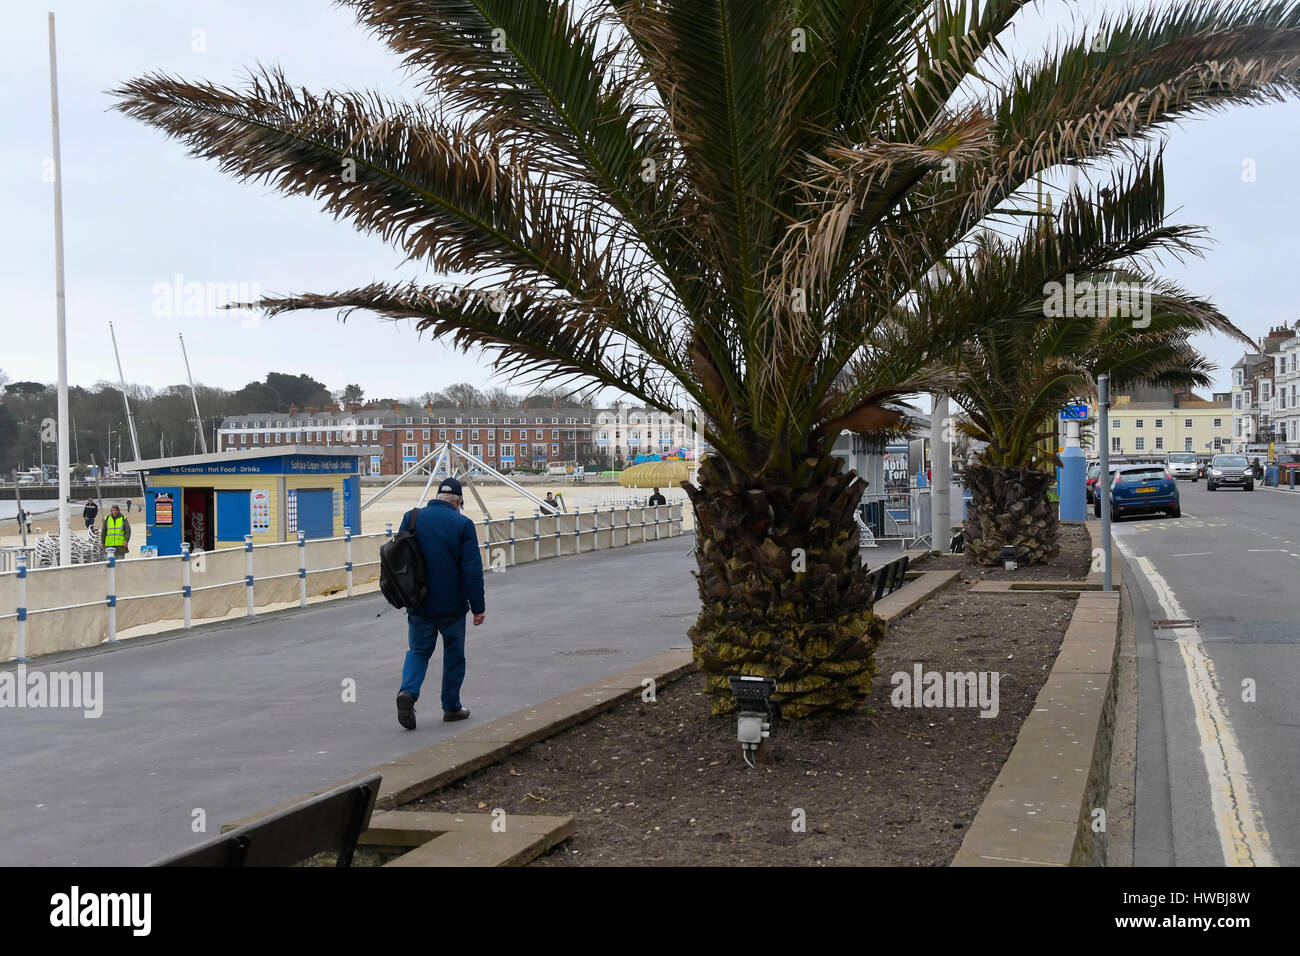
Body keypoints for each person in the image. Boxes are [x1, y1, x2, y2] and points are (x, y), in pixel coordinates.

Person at [395, 477, 485, 730]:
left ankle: (408, 692)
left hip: (418, 601)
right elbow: (471, 570)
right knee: (454, 655)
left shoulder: (411, 518)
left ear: (437, 497)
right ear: (458, 502)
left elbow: (402, 561)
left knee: (418, 651)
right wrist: (478, 607)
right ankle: (451, 707)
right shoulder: (463, 524)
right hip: (451, 606)